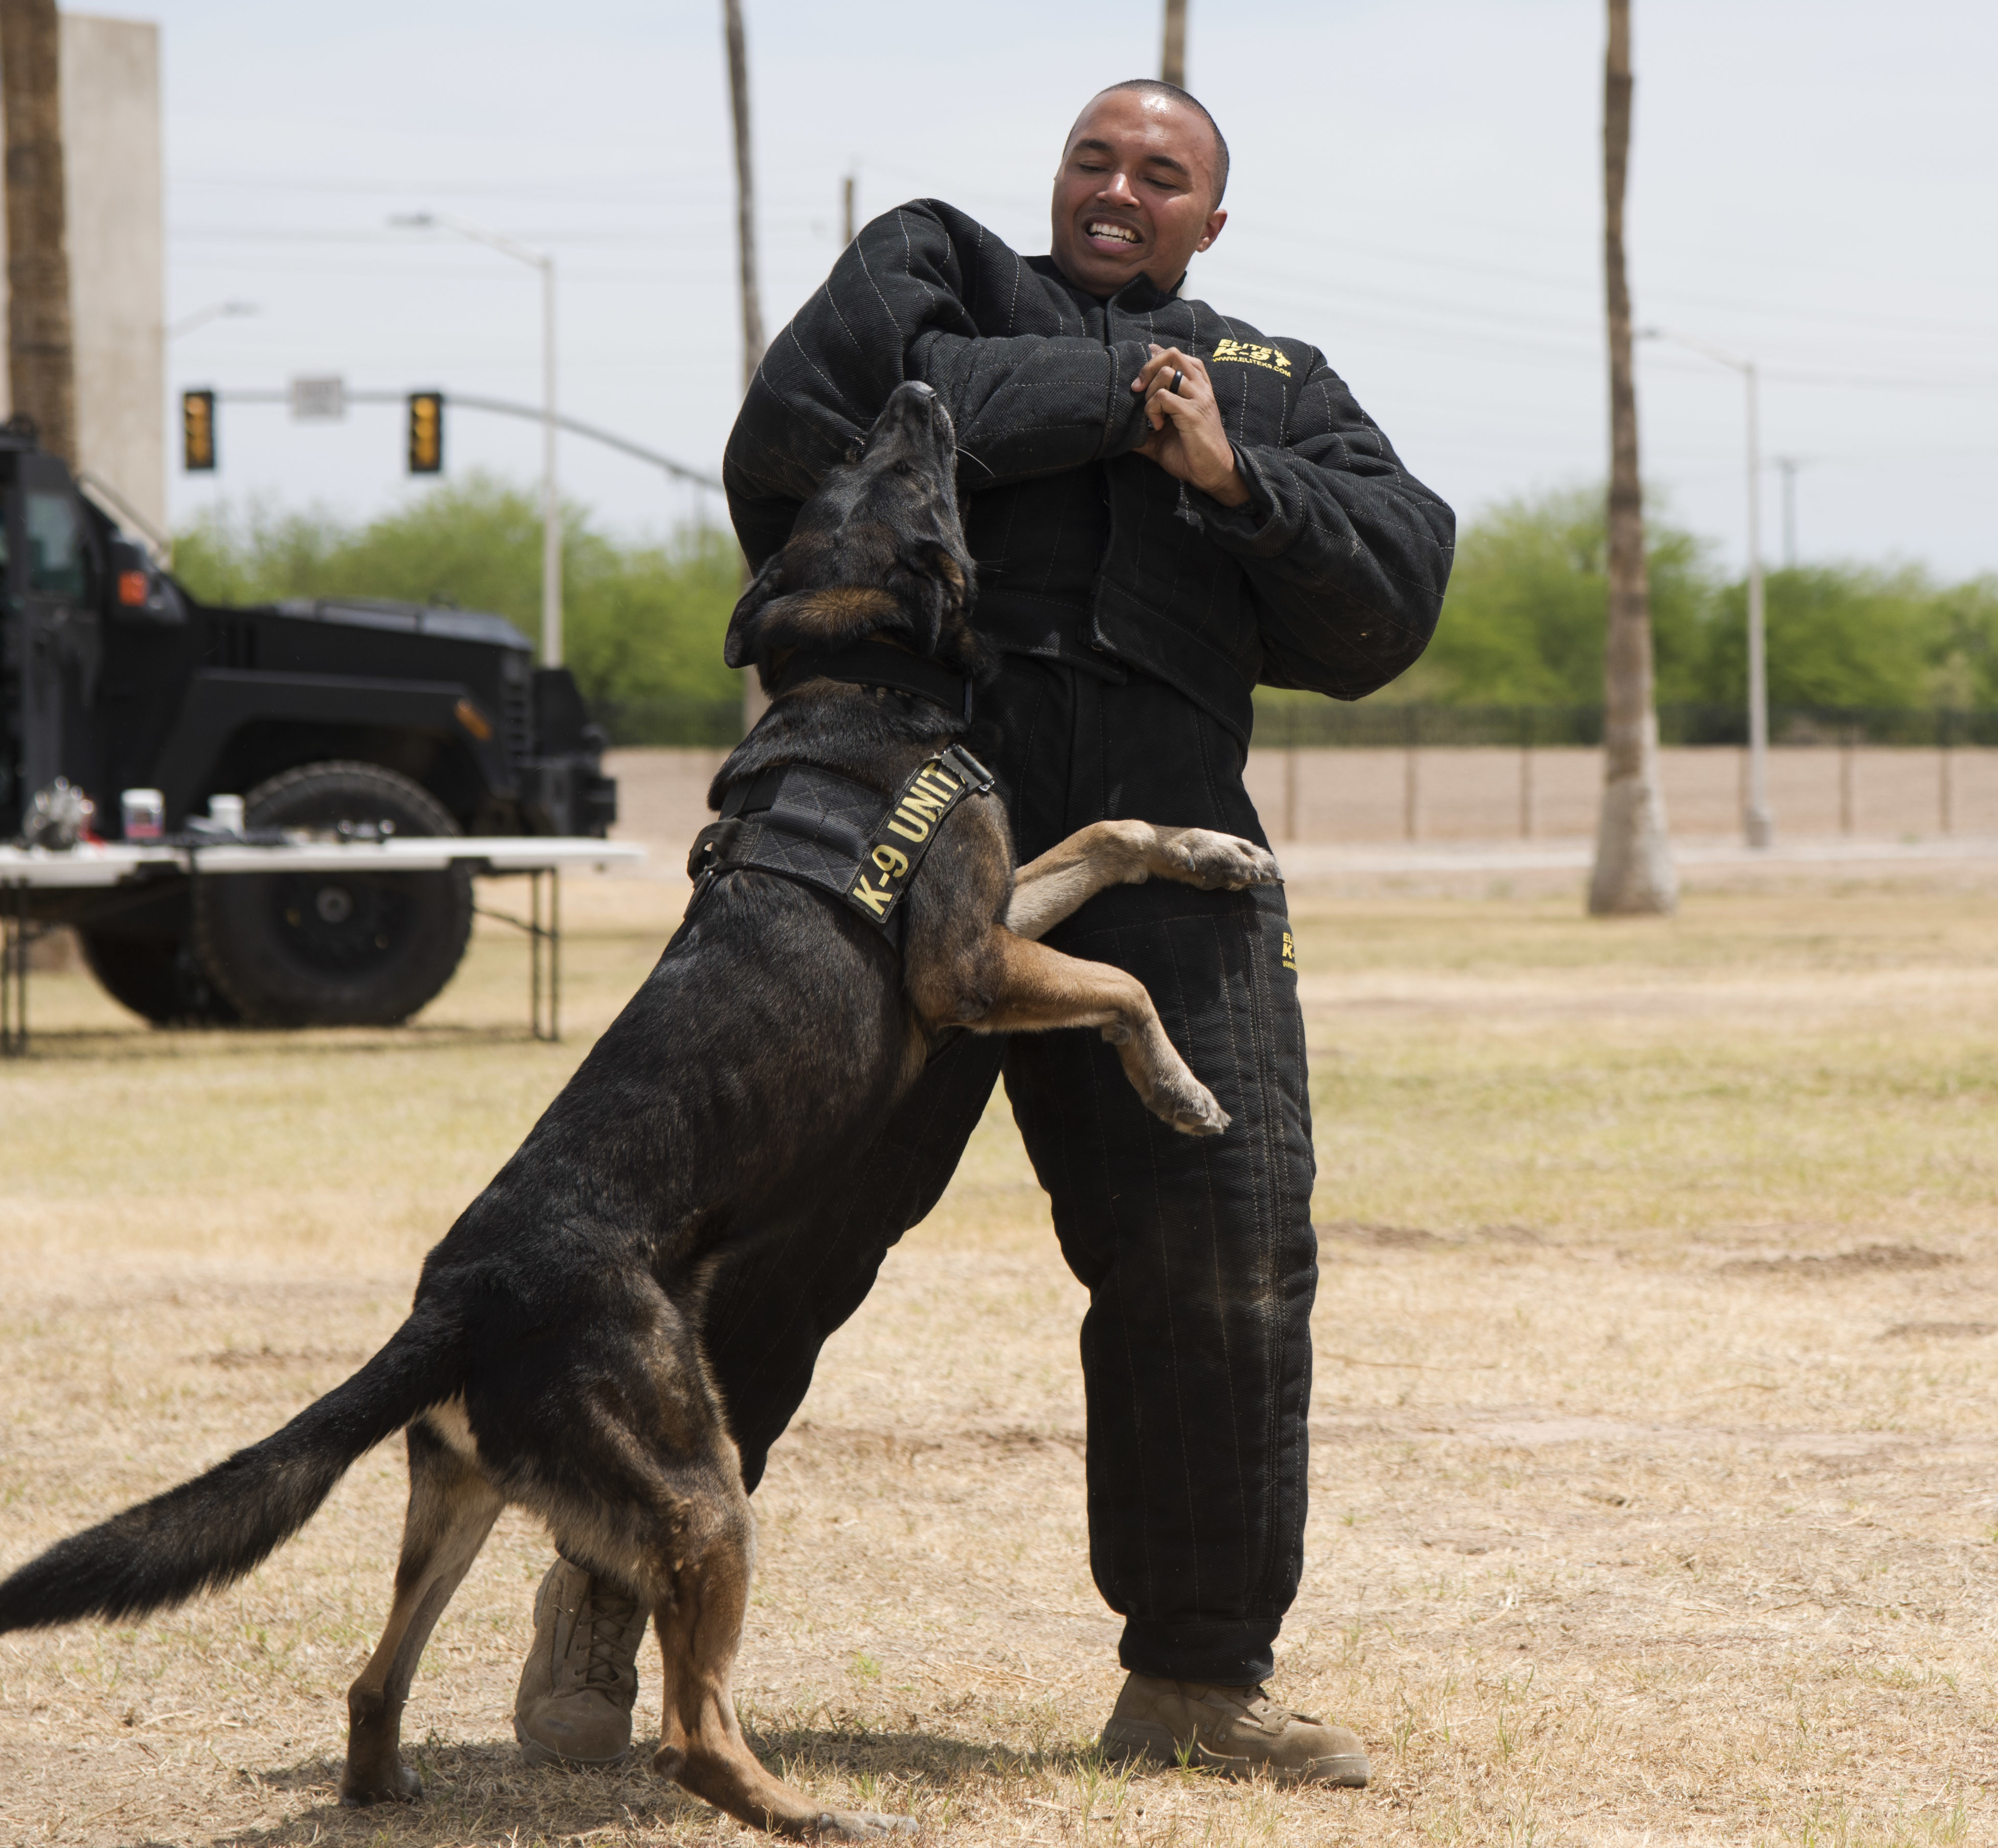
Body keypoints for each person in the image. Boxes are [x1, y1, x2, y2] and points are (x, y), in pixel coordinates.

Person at [511, 79, 1453, 1788]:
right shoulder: (941, 270)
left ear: (1208, 224)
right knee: (770, 1227)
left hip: (1167, 876)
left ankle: (1198, 1682)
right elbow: (806, 433)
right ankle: (607, 1580)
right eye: (1095, 158)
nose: (1119, 187)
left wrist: (1238, 481)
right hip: (892, 833)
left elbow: (1395, 584)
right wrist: (1118, 395)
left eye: (1160, 174)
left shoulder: (1273, 387)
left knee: (1224, 1257)